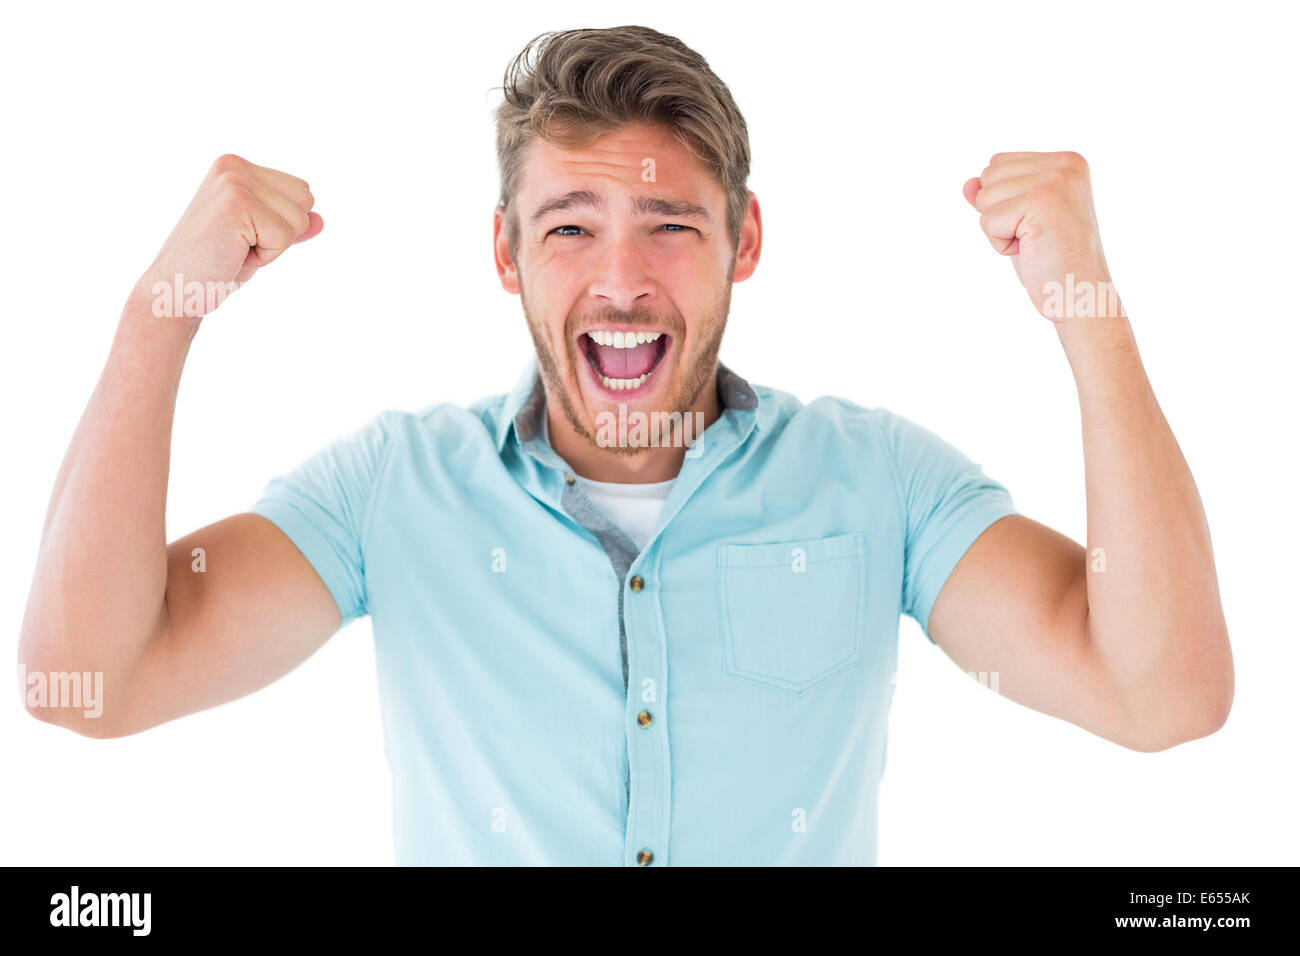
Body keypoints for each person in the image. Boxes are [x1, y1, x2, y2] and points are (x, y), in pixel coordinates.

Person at [18, 25, 1232, 866]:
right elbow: (92, 681)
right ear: (504, 255)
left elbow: (1160, 693)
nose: (621, 281)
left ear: (743, 239)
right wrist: (158, 311)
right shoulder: (390, 491)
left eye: (668, 224)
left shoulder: (879, 486)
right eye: (568, 227)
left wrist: (1087, 309)